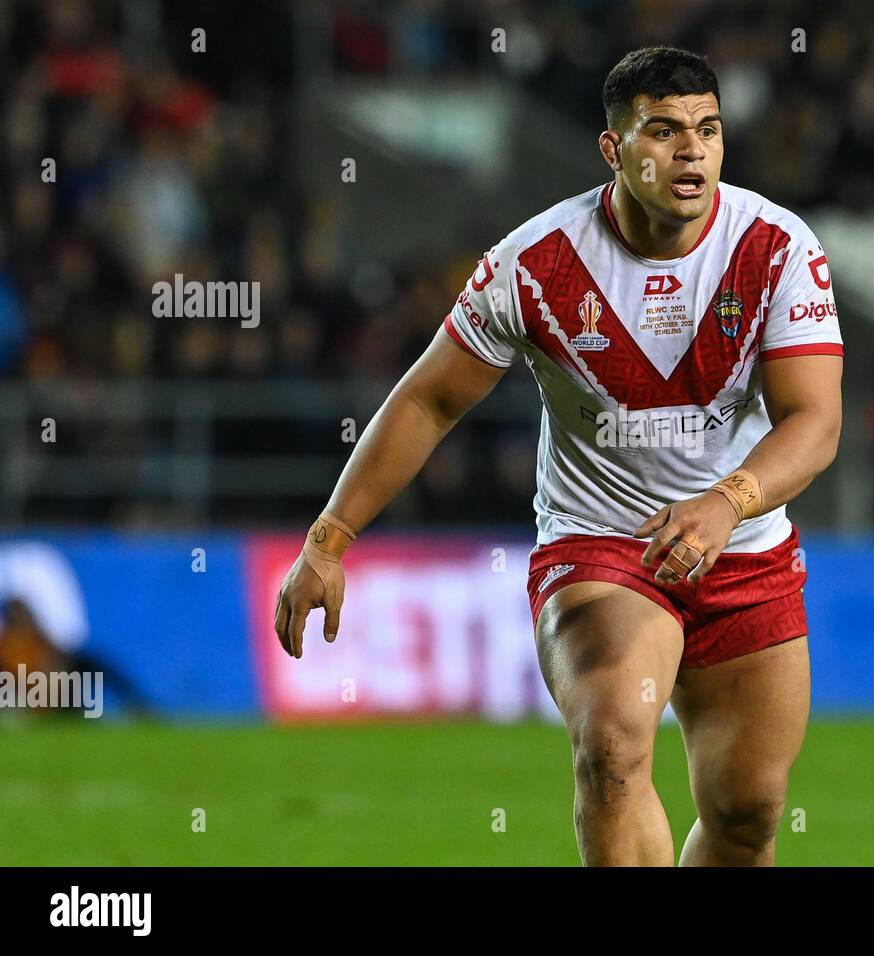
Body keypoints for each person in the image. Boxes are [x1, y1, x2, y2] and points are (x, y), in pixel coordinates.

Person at [274, 45, 843, 866]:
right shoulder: (533, 264)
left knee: (748, 809)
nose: (691, 151)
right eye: (664, 130)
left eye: (708, 131)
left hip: (743, 547)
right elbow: (429, 399)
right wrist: (328, 539)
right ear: (613, 150)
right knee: (611, 748)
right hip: (602, 549)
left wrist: (726, 503)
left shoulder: (777, 250)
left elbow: (814, 423)